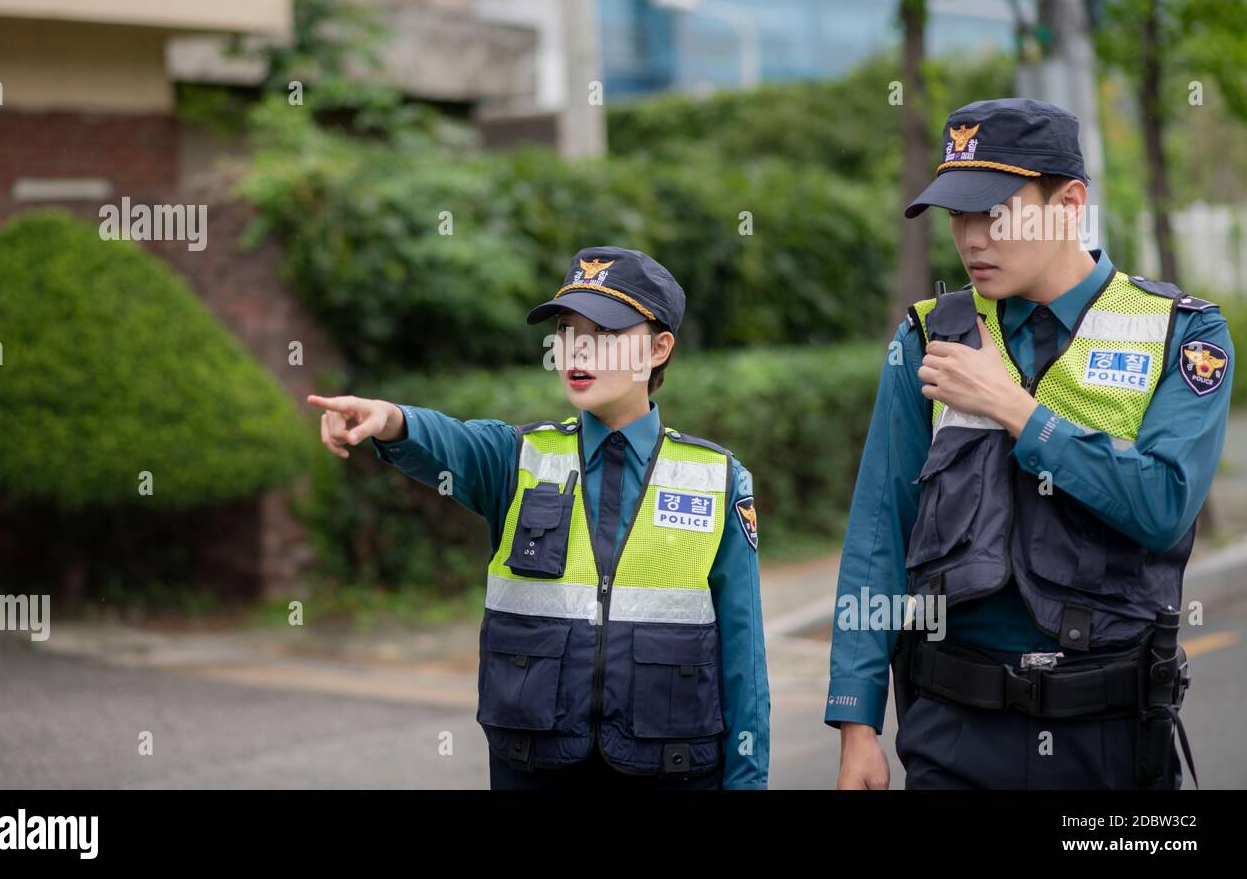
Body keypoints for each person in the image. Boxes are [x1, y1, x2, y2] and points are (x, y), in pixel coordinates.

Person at [827, 98, 1234, 789]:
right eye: (959, 215)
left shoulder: (1182, 334)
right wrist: (857, 723)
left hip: (1108, 736)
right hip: (952, 730)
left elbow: (1164, 503)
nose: (973, 239)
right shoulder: (929, 337)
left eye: (996, 213)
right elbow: (879, 530)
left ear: (1069, 201)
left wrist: (1017, 411)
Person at [309, 246, 770, 789]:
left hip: (673, 771)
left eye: (605, 334)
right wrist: (389, 419)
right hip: (534, 768)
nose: (578, 350)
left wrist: (748, 782)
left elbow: (744, 657)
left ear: (658, 349)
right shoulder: (518, 458)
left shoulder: (715, 478)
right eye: (569, 332)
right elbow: (451, 443)